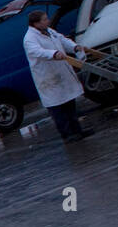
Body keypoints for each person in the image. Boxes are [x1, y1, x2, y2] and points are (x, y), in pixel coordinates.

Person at [23, 9, 94, 143]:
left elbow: (62, 40)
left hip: (61, 71)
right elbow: (37, 52)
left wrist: (75, 47)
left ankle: (77, 130)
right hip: (48, 77)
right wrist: (54, 54)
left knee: (69, 104)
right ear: (36, 24)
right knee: (58, 108)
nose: (47, 21)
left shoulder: (50, 31)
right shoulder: (29, 39)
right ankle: (67, 135)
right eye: (44, 19)